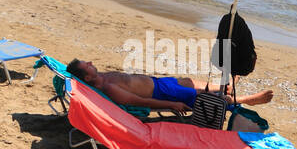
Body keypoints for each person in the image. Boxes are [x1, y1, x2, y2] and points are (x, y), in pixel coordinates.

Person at [65, 59, 274, 114]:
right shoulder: (109, 87)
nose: (91, 63)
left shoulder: (101, 76)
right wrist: (171, 105)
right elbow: (138, 101)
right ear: (88, 78)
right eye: (88, 66)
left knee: (189, 82)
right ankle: (246, 100)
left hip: (158, 82)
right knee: (200, 96)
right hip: (161, 92)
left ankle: (225, 87)